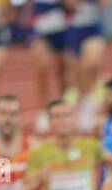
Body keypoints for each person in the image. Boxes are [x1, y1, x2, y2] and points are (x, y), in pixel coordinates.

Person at [27, 1, 72, 134]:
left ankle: (63, 109)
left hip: (63, 26)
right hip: (40, 28)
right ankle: (44, 111)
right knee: (42, 68)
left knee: (64, 72)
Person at [66, 0, 110, 130]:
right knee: (76, 74)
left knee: (90, 63)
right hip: (73, 29)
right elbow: (69, 4)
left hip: (93, 28)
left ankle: (88, 104)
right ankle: (79, 104)